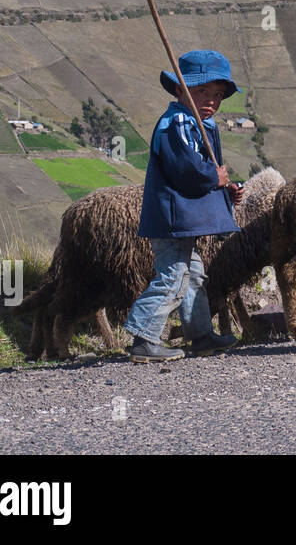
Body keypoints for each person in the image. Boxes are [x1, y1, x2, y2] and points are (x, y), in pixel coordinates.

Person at [124, 49, 244, 362]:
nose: (211, 101)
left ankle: (201, 336)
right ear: (180, 90)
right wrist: (214, 178)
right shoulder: (176, 123)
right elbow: (187, 170)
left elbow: (203, 175)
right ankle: (143, 339)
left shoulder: (196, 124)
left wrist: (223, 191)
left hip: (183, 218)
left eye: (217, 95)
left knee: (192, 276)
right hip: (172, 220)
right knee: (175, 277)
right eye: (201, 91)